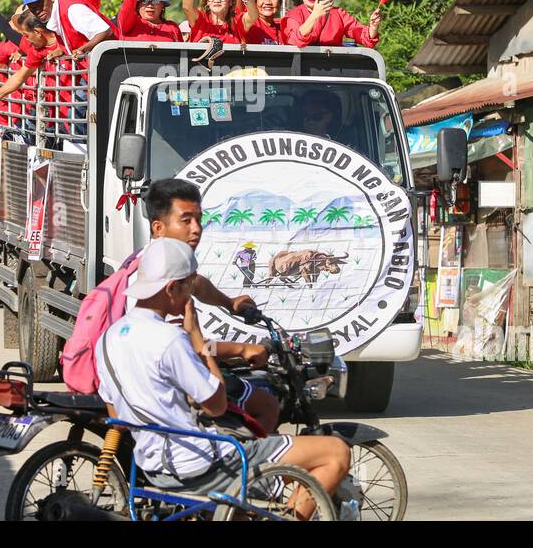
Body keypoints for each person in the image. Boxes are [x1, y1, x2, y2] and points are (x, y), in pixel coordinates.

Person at [96, 237, 349, 519]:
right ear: (171, 288)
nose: (190, 298)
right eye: (188, 287)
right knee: (335, 452)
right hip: (201, 463)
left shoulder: (108, 339)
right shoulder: (170, 339)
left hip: (152, 464)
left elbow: (115, 411)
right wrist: (197, 338)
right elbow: (215, 405)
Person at [143, 178, 277, 432]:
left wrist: (230, 303)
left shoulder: (158, 263)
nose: (196, 229)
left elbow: (199, 285)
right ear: (158, 228)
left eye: (198, 219)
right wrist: (240, 349)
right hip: (167, 385)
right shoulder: (160, 280)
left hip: (159, 372)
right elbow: (185, 348)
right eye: (186, 220)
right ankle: (256, 468)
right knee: (265, 403)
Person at [22, 0, 114, 57]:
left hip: (117, 63)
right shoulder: (56, 14)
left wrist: (83, 49)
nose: (37, 10)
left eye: (39, 4)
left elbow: (105, 31)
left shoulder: (72, 9)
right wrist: (61, 50)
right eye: (32, 8)